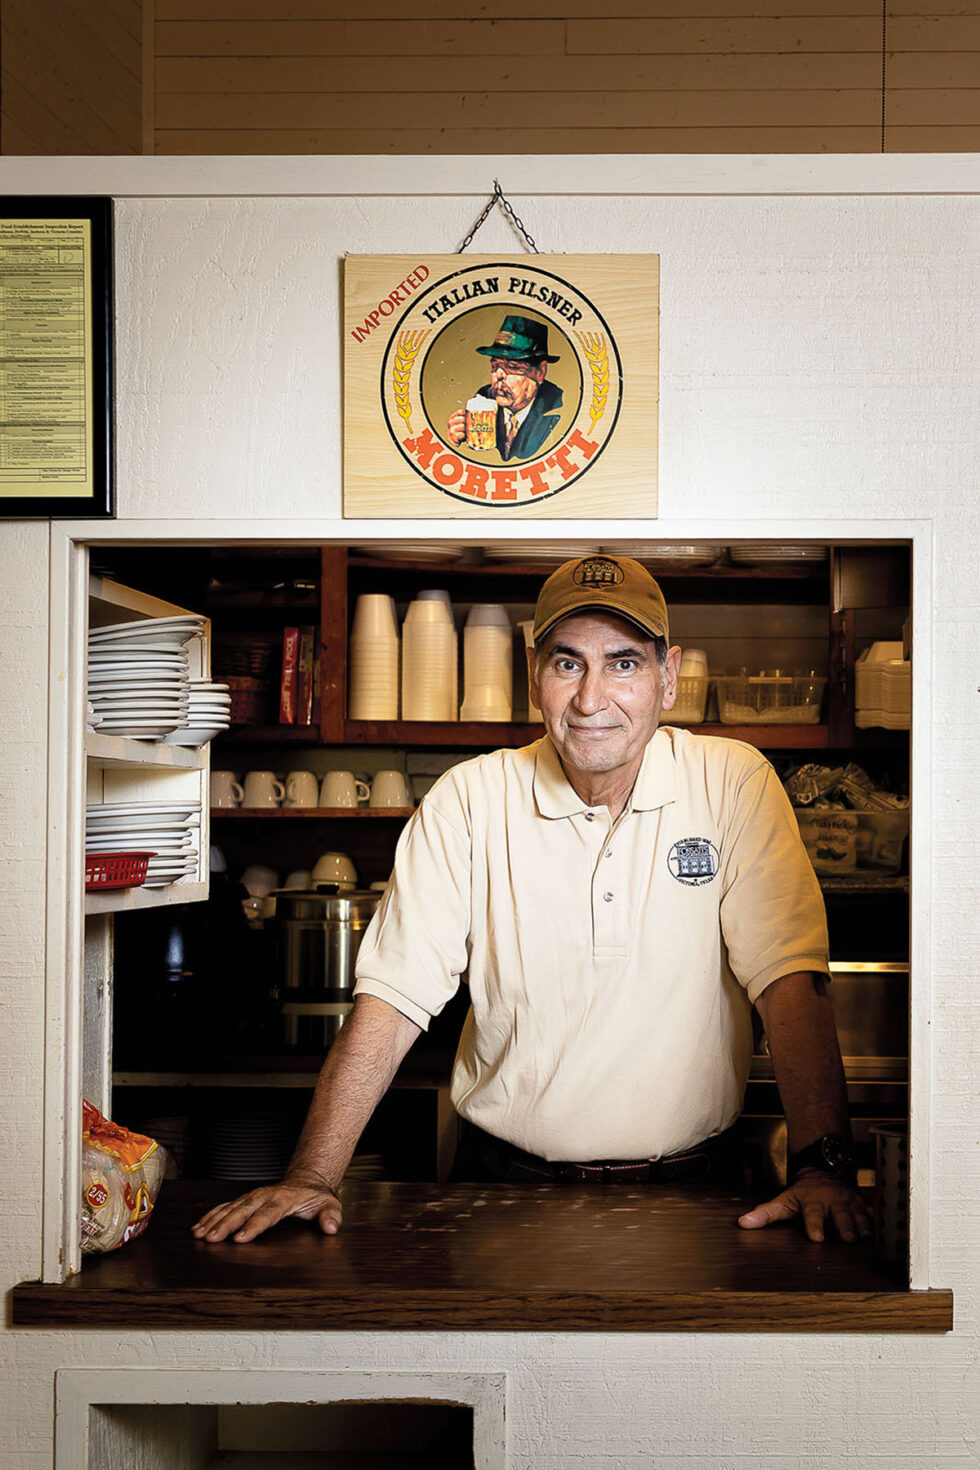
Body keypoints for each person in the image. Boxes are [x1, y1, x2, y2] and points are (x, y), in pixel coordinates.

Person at [193, 554, 870, 1249]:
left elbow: (789, 981)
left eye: (625, 663)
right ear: (532, 674)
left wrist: (826, 1167)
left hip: (699, 1193)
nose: (591, 698)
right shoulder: (470, 798)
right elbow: (391, 1004)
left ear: (668, 679)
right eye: (568, 663)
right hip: (502, 1189)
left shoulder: (732, 782)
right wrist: (312, 1175)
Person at [445, 315, 564, 462]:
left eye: (512, 367)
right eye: (495, 366)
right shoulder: (482, 401)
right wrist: (458, 439)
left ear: (539, 372)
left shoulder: (559, 407)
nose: (498, 375)